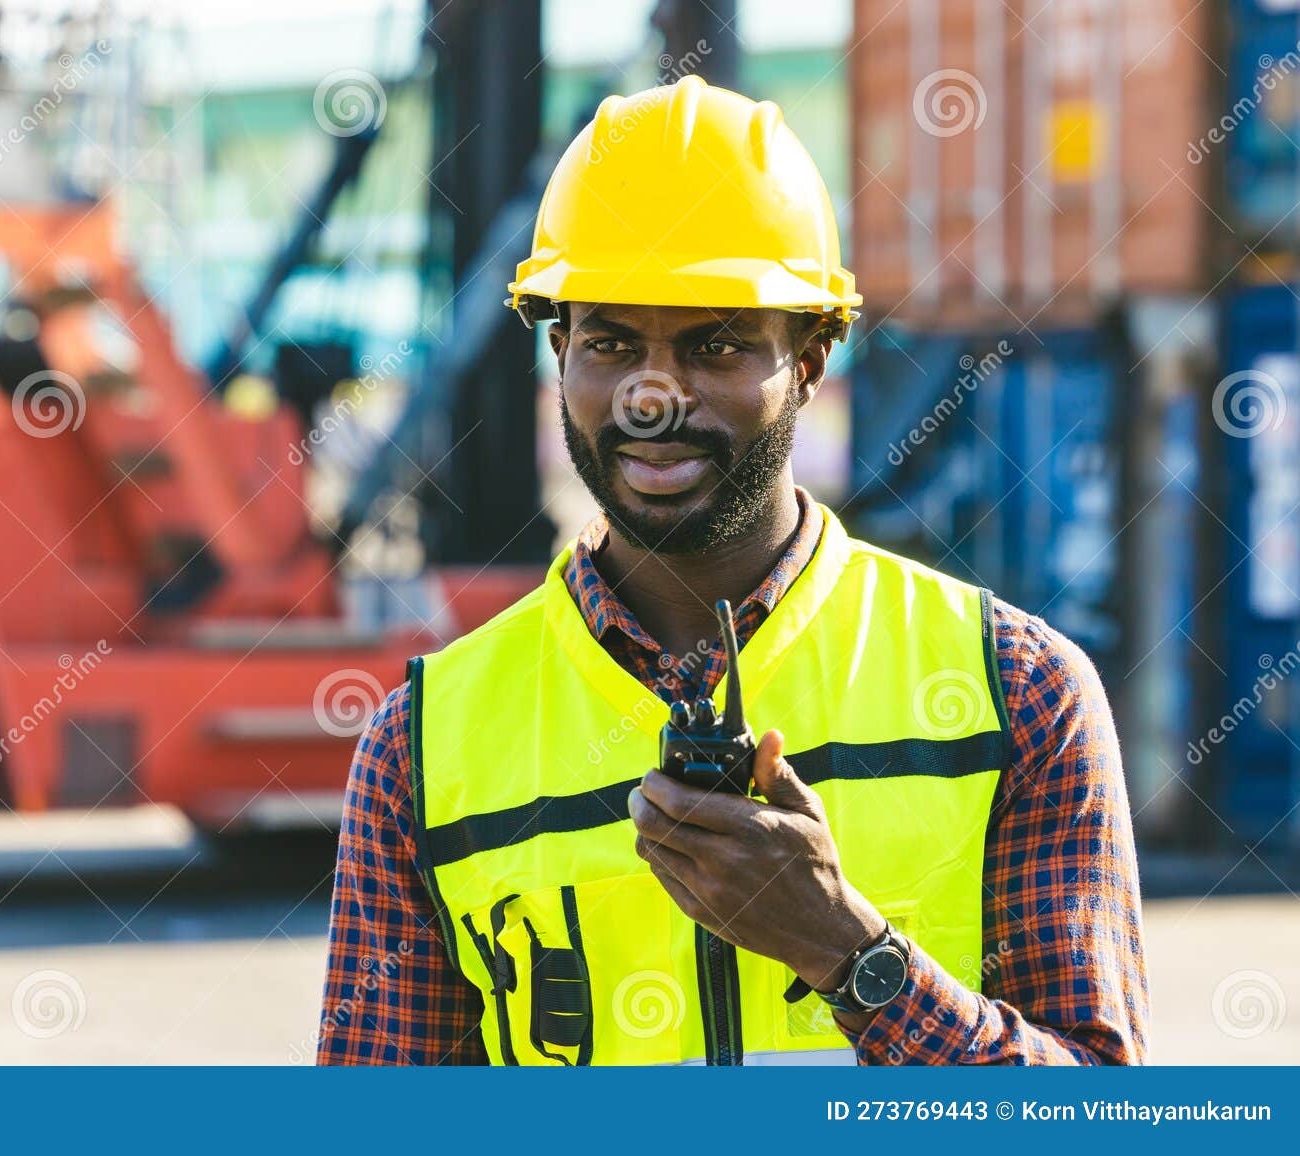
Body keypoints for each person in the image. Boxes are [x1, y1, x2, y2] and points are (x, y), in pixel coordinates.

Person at [317, 75, 1148, 1065]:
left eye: (714, 344)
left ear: (811, 356)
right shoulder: (423, 750)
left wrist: (848, 952)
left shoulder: (1014, 692)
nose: (653, 396)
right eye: (611, 342)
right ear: (559, 352)